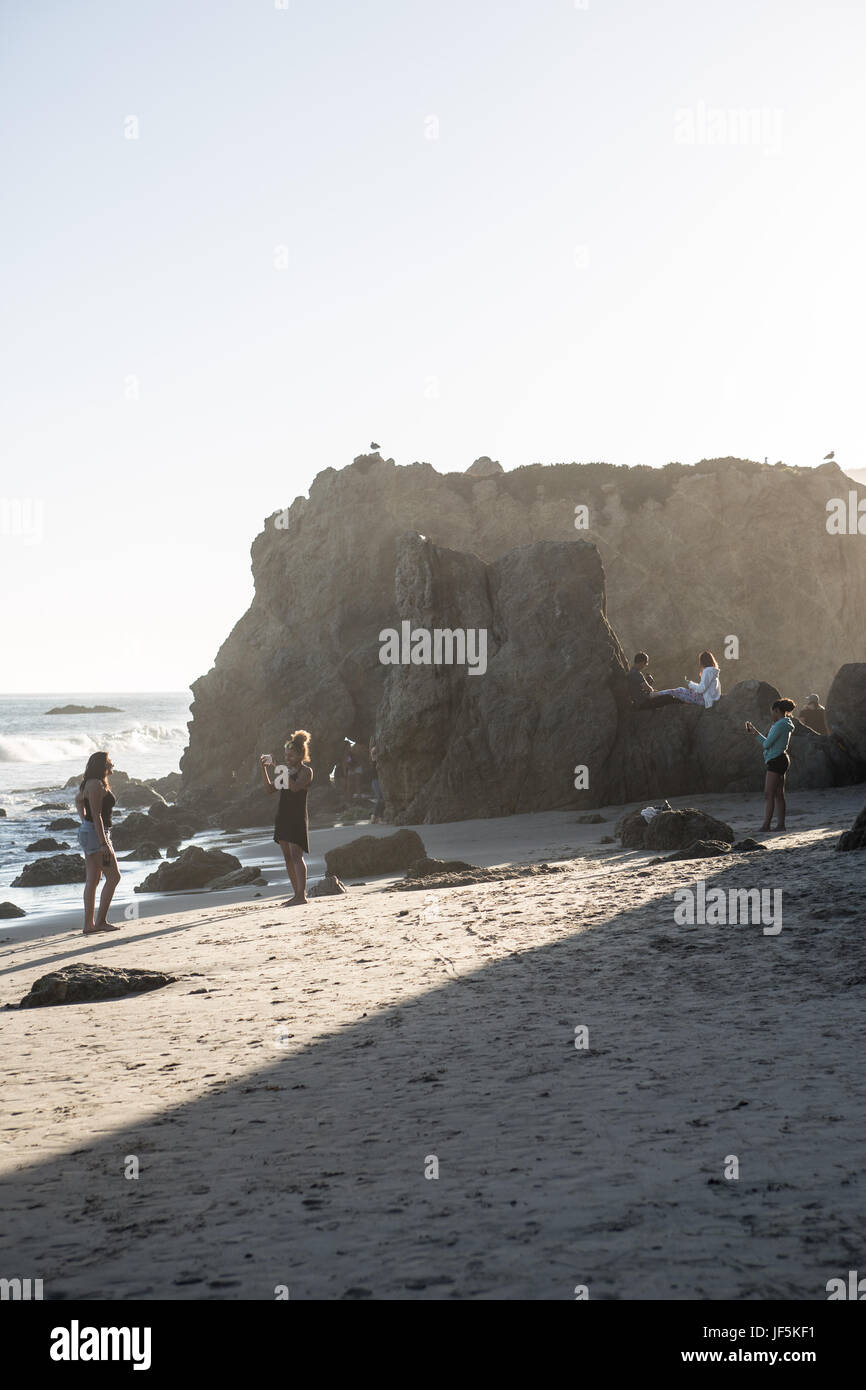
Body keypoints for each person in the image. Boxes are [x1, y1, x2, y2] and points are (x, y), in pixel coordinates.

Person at [261, 730, 313, 906]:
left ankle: (301, 895)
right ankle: (295, 894)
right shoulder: (285, 771)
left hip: (297, 817)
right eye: (285, 755)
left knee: (296, 855)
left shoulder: (307, 772)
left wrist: (281, 770)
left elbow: (295, 788)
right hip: (283, 816)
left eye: (290, 755)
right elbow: (269, 790)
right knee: (287, 857)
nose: (287, 758)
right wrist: (264, 769)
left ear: (300, 755)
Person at [74, 751, 122, 935]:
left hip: (91, 832)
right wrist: (104, 844)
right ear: (102, 765)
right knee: (114, 877)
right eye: (110, 761)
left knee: (93, 879)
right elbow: (96, 816)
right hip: (96, 834)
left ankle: (89, 925)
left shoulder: (95, 783)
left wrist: (83, 820)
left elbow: (78, 800)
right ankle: (100, 922)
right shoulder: (94, 784)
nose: (112, 764)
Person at [745, 698, 796, 831]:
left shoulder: (779, 725)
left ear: (777, 711)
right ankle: (780, 825)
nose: (771, 715)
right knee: (779, 794)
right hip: (782, 758)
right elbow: (769, 742)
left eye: (772, 712)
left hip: (776, 760)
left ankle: (766, 825)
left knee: (769, 794)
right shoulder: (786, 723)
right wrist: (755, 732)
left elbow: (767, 744)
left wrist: (756, 734)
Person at [652, 651, 722, 707]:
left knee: (678, 690)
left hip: (704, 700)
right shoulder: (713, 671)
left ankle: (655, 695)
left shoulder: (707, 671)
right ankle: (658, 694)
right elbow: (705, 687)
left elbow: (701, 689)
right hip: (710, 699)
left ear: (702, 661)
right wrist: (692, 686)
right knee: (680, 691)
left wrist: (690, 684)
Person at [369, 736, 385, 822]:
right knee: (380, 797)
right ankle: (374, 815)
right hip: (375, 781)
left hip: (378, 780)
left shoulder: (376, 758)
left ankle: (380, 817)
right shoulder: (374, 755)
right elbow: (373, 754)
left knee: (382, 798)